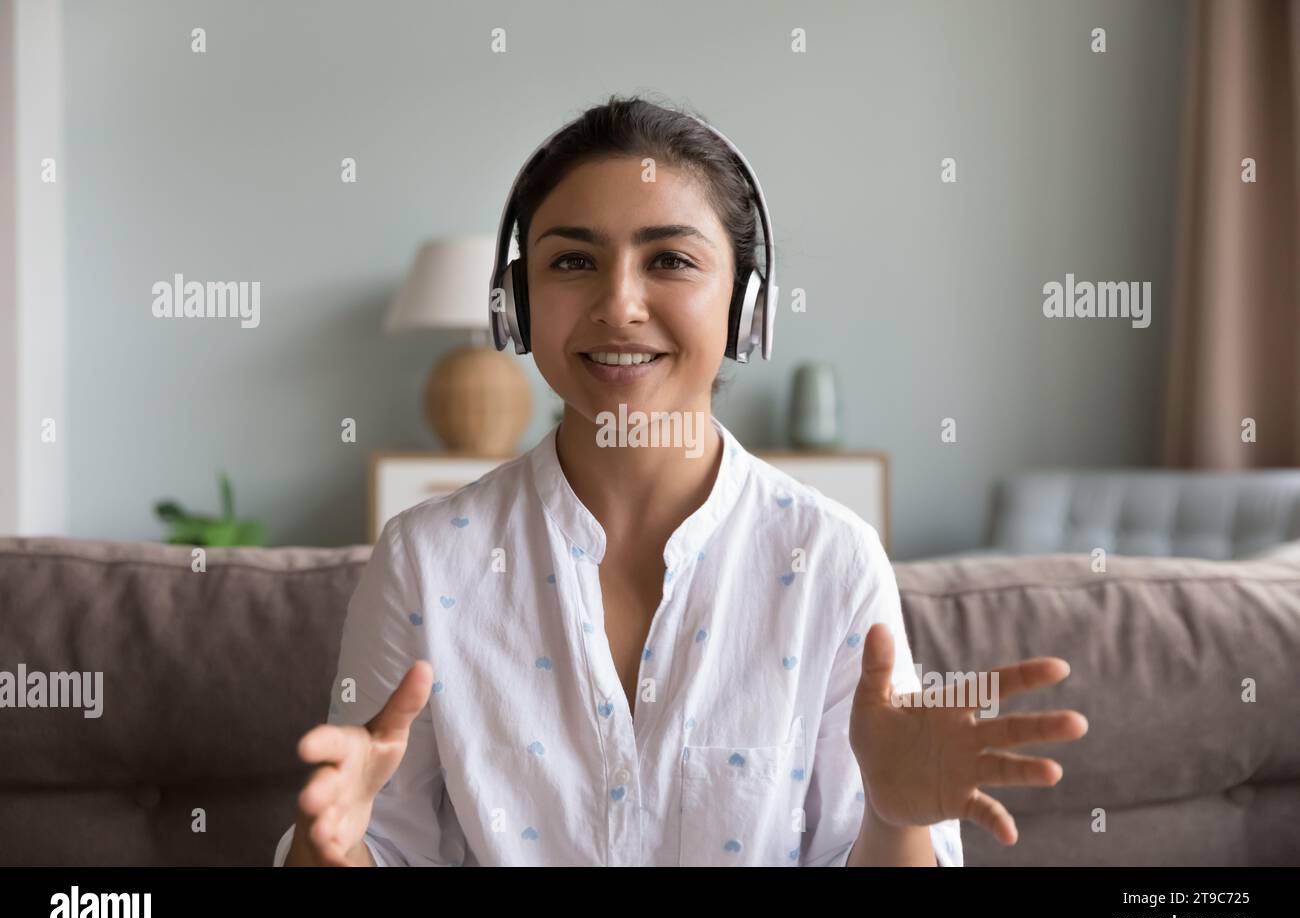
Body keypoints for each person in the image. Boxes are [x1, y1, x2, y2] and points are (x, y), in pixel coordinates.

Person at [274, 94, 1087, 867]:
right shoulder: (426, 559)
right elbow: (370, 849)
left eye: (669, 259)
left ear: (745, 307)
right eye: (572, 260)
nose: (620, 304)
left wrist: (894, 816)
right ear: (516, 306)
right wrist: (330, 848)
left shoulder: (832, 561)